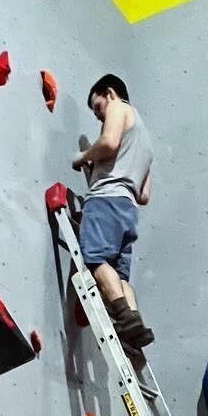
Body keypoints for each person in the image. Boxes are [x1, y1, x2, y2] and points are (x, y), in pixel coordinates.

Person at [71, 74, 155, 351]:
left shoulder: (119, 108)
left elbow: (108, 143)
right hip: (128, 208)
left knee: (95, 261)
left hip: (106, 200)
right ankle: (135, 326)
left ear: (109, 94)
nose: (99, 117)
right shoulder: (146, 141)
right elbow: (144, 196)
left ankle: (125, 318)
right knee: (119, 278)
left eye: (98, 109)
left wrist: (84, 157)